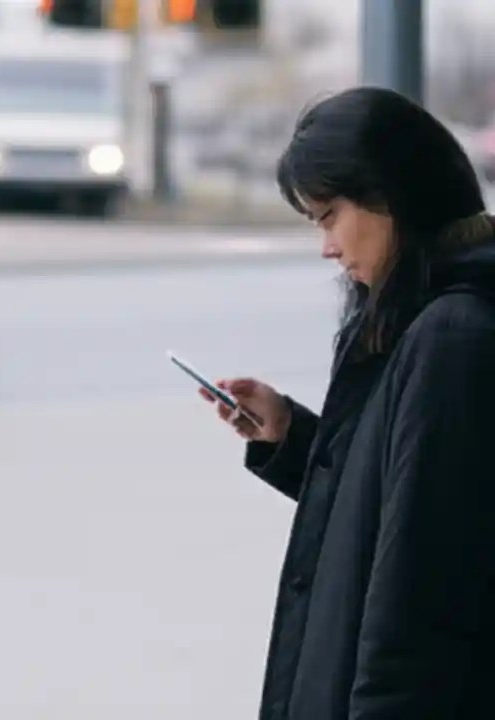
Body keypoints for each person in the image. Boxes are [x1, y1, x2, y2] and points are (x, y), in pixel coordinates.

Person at [202, 86, 495, 719]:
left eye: (330, 215)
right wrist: (292, 439)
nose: (328, 248)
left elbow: (423, 595)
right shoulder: (417, 316)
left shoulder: (452, 333)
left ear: (392, 196)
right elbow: (393, 498)